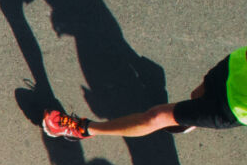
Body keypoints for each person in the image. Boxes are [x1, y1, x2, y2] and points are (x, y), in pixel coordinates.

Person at [42, 46, 246, 138]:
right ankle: (188, 121)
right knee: (197, 94)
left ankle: (83, 129)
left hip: (232, 107)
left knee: (156, 116)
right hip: (236, 66)